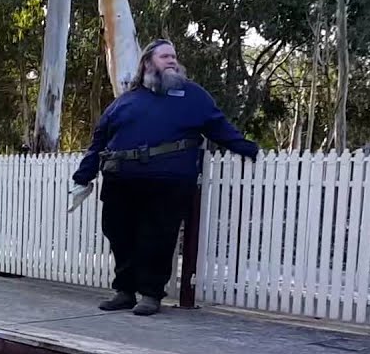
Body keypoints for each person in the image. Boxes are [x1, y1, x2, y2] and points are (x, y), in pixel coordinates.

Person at [72, 38, 258, 316]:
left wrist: (246, 147)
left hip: (168, 182)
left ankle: (150, 294)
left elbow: (219, 127)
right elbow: (99, 141)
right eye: (165, 56)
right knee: (118, 234)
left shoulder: (194, 96)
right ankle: (124, 291)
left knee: (157, 237)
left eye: (174, 56)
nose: (172, 60)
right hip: (121, 181)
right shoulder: (125, 101)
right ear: (147, 62)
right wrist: (83, 175)